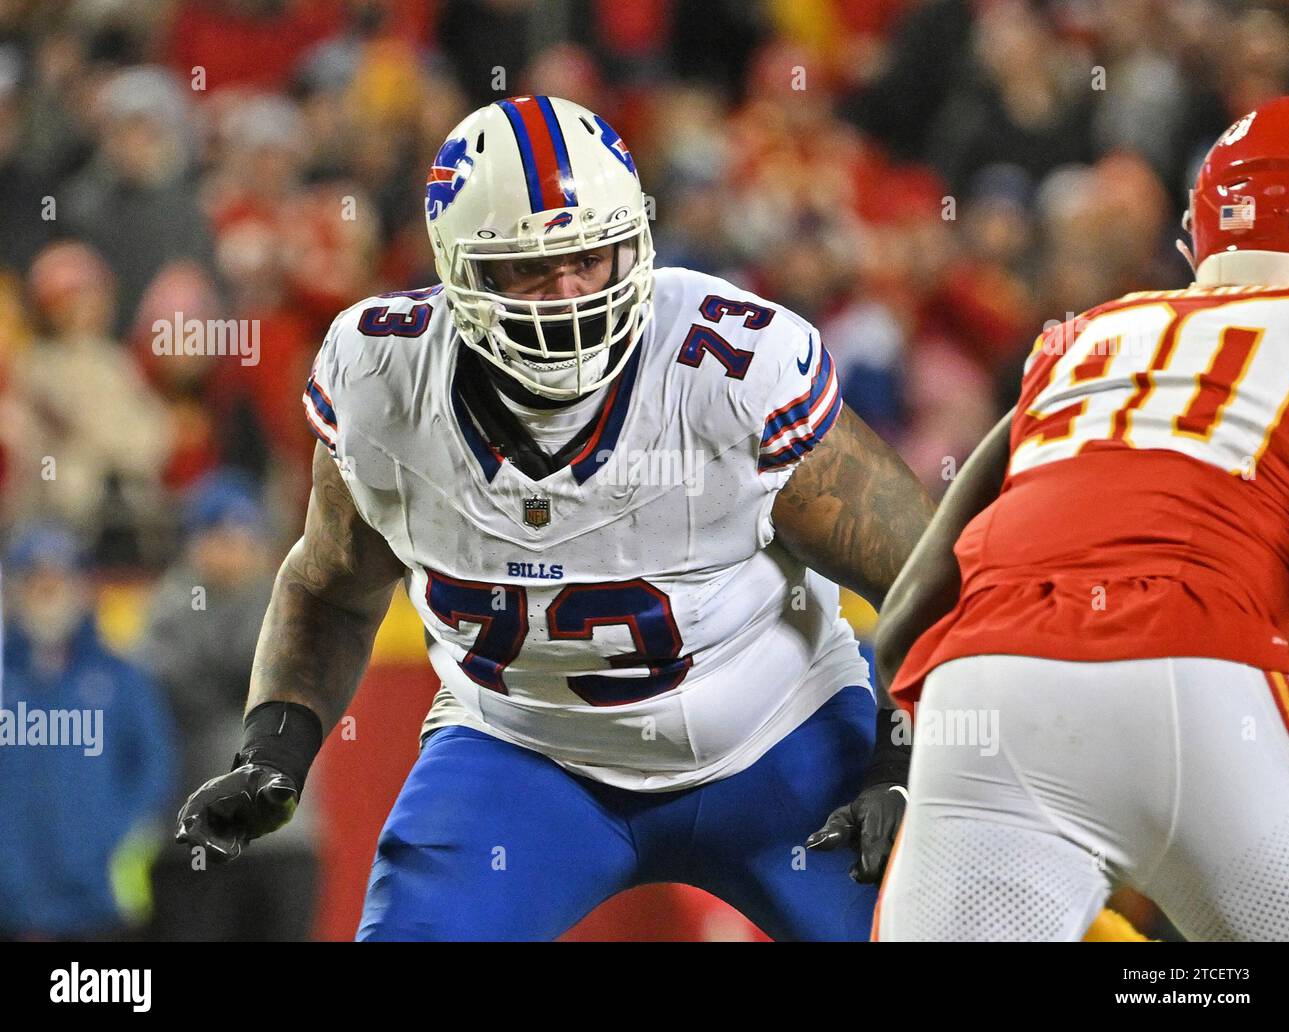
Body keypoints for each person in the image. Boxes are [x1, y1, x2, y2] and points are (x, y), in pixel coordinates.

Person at [176, 95, 934, 941]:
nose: (569, 294)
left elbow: (926, 576)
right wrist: (274, 746)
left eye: (591, 257)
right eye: (529, 268)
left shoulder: (727, 373)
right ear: (460, 272)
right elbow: (328, 588)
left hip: (779, 743)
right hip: (522, 759)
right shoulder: (385, 385)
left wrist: (902, 760)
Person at [873, 96, 1289, 941]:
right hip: (1202, 668)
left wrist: (893, 764)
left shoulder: (1086, 333)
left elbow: (908, 606)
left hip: (982, 686)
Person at [140, 472, 319, 941]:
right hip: (192, 839)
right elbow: (180, 688)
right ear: (193, 544)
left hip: (283, 839)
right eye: (220, 536)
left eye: (243, 537)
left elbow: (285, 678)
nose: (233, 550)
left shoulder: (288, 601)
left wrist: (237, 680)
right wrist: (245, 681)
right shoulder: (168, 608)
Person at [0, 522, 175, 940]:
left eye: (58, 577)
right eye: (34, 578)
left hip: (100, 906)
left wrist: (112, 840)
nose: (47, 589)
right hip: (10, 907)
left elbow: (155, 769)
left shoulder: (121, 679)